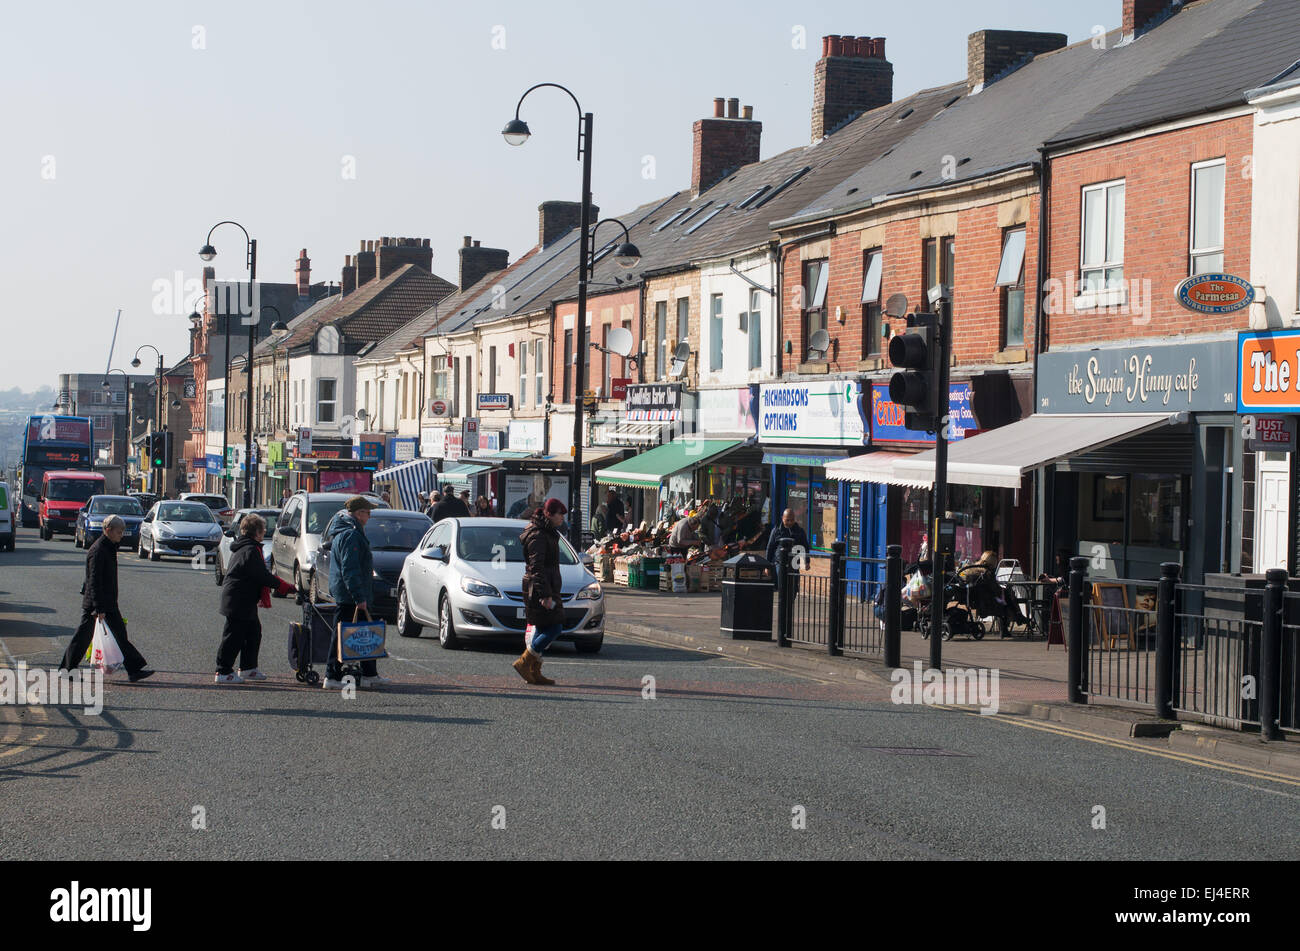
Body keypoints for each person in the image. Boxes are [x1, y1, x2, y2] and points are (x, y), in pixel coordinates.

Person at [59, 515, 153, 682]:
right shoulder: (99, 550)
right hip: (98, 603)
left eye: (122, 531)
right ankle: (66, 670)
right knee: (82, 638)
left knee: (120, 635)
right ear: (108, 530)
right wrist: (98, 608)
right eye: (119, 531)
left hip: (107, 602)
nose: (121, 535)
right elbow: (94, 580)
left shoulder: (108, 547)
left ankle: (134, 670)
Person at [215, 513, 294, 683]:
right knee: (233, 636)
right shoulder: (250, 550)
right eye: (263, 529)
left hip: (243, 598)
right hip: (238, 599)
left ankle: (248, 668)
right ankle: (223, 671)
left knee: (253, 633)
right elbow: (262, 576)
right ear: (256, 532)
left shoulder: (247, 547)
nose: (264, 531)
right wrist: (285, 587)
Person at [324, 496, 391, 689]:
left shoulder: (349, 532)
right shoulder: (351, 534)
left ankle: (370, 673)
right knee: (342, 634)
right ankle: (332, 675)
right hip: (349, 595)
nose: (369, 516)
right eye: (368, 512)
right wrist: (358, 597)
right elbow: (350, 568)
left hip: (350, 593)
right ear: (359, 513)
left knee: (366, 633)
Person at [513, 498, 567, 685]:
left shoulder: (547, 532)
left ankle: (534, 671)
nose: (562, 517)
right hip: (539, 588)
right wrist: (544, 594)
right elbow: (536, 567)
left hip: (547, 586)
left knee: (544, 627)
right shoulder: (538, 534)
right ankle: (525, 661)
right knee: (555, 626)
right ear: (549, 514)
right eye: (560, 513)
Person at [766, 509, 810, 598]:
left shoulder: (799, 531)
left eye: (792, 520)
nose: (790, 522)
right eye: (787, 520)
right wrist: (768, 566)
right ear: (782, 518)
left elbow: (805, 547)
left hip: (794, 563)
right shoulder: (776, 531)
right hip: (780, 563)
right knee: (782, 587)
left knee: (793, 589)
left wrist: (807, 561)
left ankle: (789, 606)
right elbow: (770, 548)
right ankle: (784, 607)